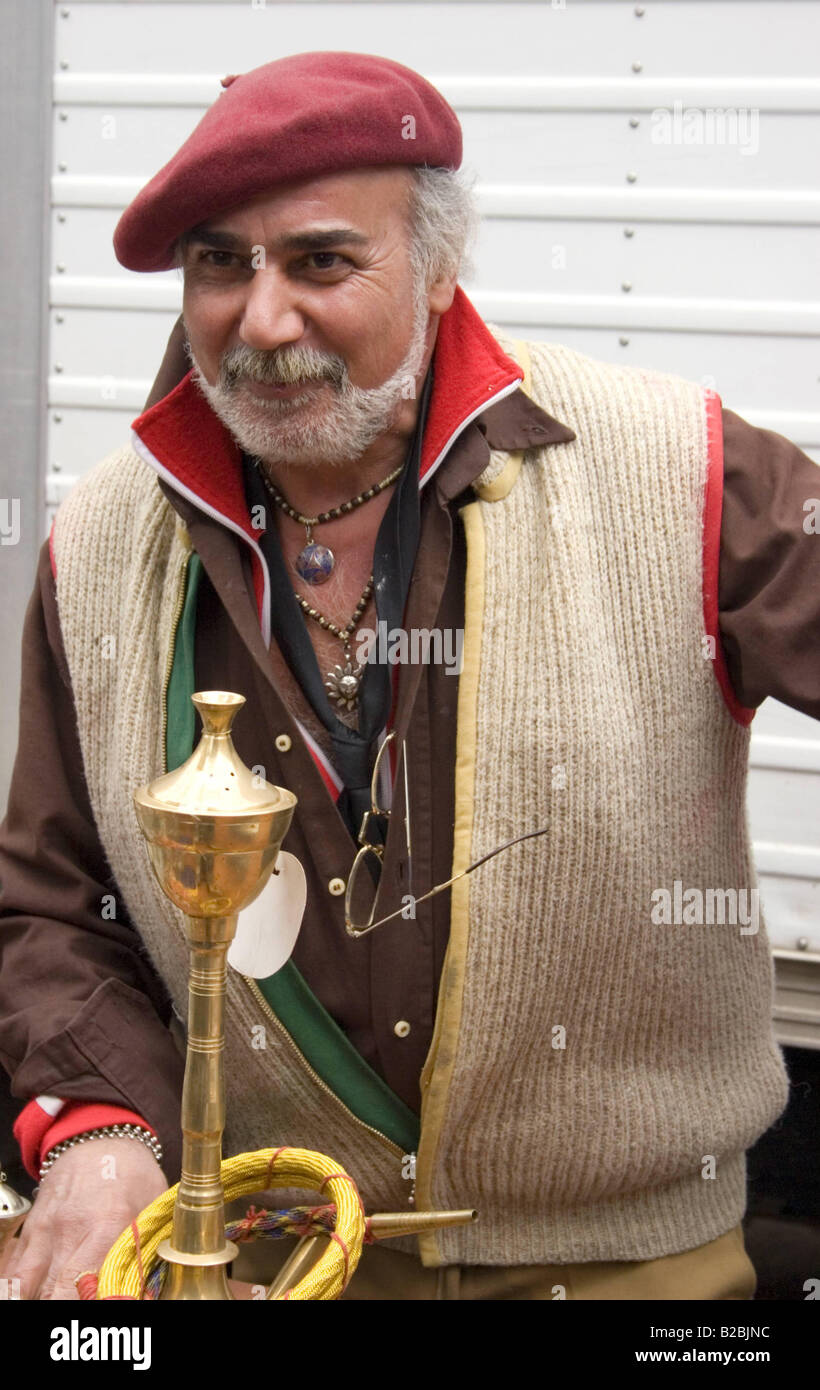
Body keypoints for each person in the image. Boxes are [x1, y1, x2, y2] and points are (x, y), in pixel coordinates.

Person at [0, 50, 817, 1302]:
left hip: (630, 1274)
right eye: (221, 263)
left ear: (439, 270)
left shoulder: (683, 469)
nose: (260, 319)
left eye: (320, 261)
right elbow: (57, 904)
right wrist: (103, 1132)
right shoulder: (102, 540)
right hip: (265, 1271)